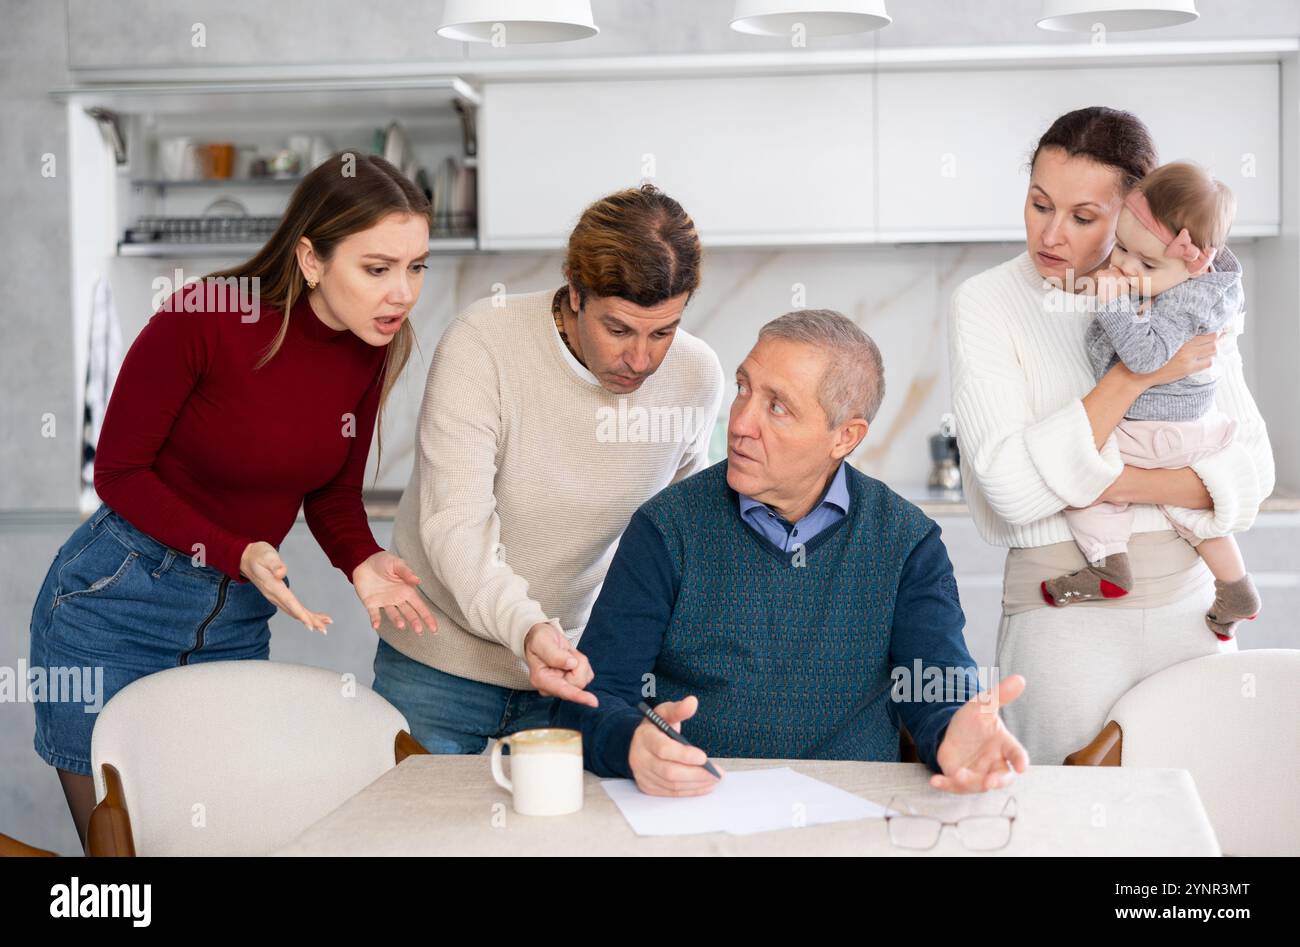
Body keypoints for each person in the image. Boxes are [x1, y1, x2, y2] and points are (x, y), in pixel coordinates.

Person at [28, 153, 437, 850]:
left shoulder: (371, 348)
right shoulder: (203, 318)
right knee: (122, 863)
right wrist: (233, 549)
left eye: (416, 267)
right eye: (378, 268)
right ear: (311, 258)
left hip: (235, 616)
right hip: (116, 602)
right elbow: (119, 471)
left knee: (220, 837)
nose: (402, 292)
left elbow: (332, 495)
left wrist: (362, 559)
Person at [555, 309, 1028, 796]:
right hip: (697, 809)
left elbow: (937, 687)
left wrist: (955, 731)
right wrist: (631, 742)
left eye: (777, 407)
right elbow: (594, 696)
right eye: (744, 388)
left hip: (849, 819)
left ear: (845, 437)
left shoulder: (906, 542)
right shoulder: (666, 528)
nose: (740, 423)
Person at [948, 107, 1274, 765]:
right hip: (1061, 622)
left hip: (1192, 610)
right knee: (1065, 826)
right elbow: (1010, 489)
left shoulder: (1195, 293)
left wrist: (1111, 479)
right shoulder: (985, 302)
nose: (1051, 233)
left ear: (1136, 213)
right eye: (1039, 204)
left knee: (1197, 828)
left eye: (1084, 216)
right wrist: (1132, 378)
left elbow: (1253, 475)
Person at [372, 184, 726, 754]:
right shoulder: (483, 343)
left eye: (662, 332)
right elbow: (454, 526)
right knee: (422, 835)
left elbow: (682, 532)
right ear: (575, 290)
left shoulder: (696, 375)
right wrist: (528, 629)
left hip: (574, 671)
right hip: (439, 663)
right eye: (619, 330)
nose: (641, 360)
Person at [1042, 161, 1261, 639]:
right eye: (1121, 247)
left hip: (1152, 429)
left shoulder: (1183, 300)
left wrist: (1112, 303)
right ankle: (1236, 586)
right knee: (1194, 516)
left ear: (1194, 263)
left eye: (1146, 264)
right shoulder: (1196, 286)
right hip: (1190, 432)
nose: (1124, 265)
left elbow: (1143, 358)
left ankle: (1108, 565)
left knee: (1082, 476)